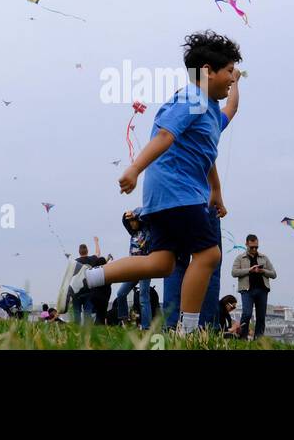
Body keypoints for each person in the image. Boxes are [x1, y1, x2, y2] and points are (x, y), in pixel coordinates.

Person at [64, 32, 241, 335]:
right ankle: (186, 330)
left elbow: (220, 129)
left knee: (161, 263)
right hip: (177, 193)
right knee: (209, 255)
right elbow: (164, 135)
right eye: (228, 72)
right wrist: (133, 169)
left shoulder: (209, 110)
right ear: (208, 71)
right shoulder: (193, 99)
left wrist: (216, 190)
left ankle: (86, 279)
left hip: (168, 197)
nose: (231, 79)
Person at [112, 209, 154, 330]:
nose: (131, 224)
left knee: (143, 297)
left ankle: (146, 327)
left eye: (133, 221)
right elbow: (123, 220)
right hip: (133, 268)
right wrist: (126, 214)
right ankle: (124, 321)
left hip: (145, 267)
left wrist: (135, 213)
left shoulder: (147, 230)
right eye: (129, 222)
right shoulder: (132, 233)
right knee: (121, 293)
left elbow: (146, 213)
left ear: (138, 220)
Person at [232, 233, 277, 338]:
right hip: (247, 290)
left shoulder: (264, 258)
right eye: (252, 247)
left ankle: (259, 340)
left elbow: (274, 274)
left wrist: (262, 271)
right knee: (247, 314)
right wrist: (249, 270)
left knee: (261, 317)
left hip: (262, 290)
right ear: (246, 244)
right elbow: (234, 272)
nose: (254, 249)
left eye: (256, 247)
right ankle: (242, 338)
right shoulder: (240, 258)